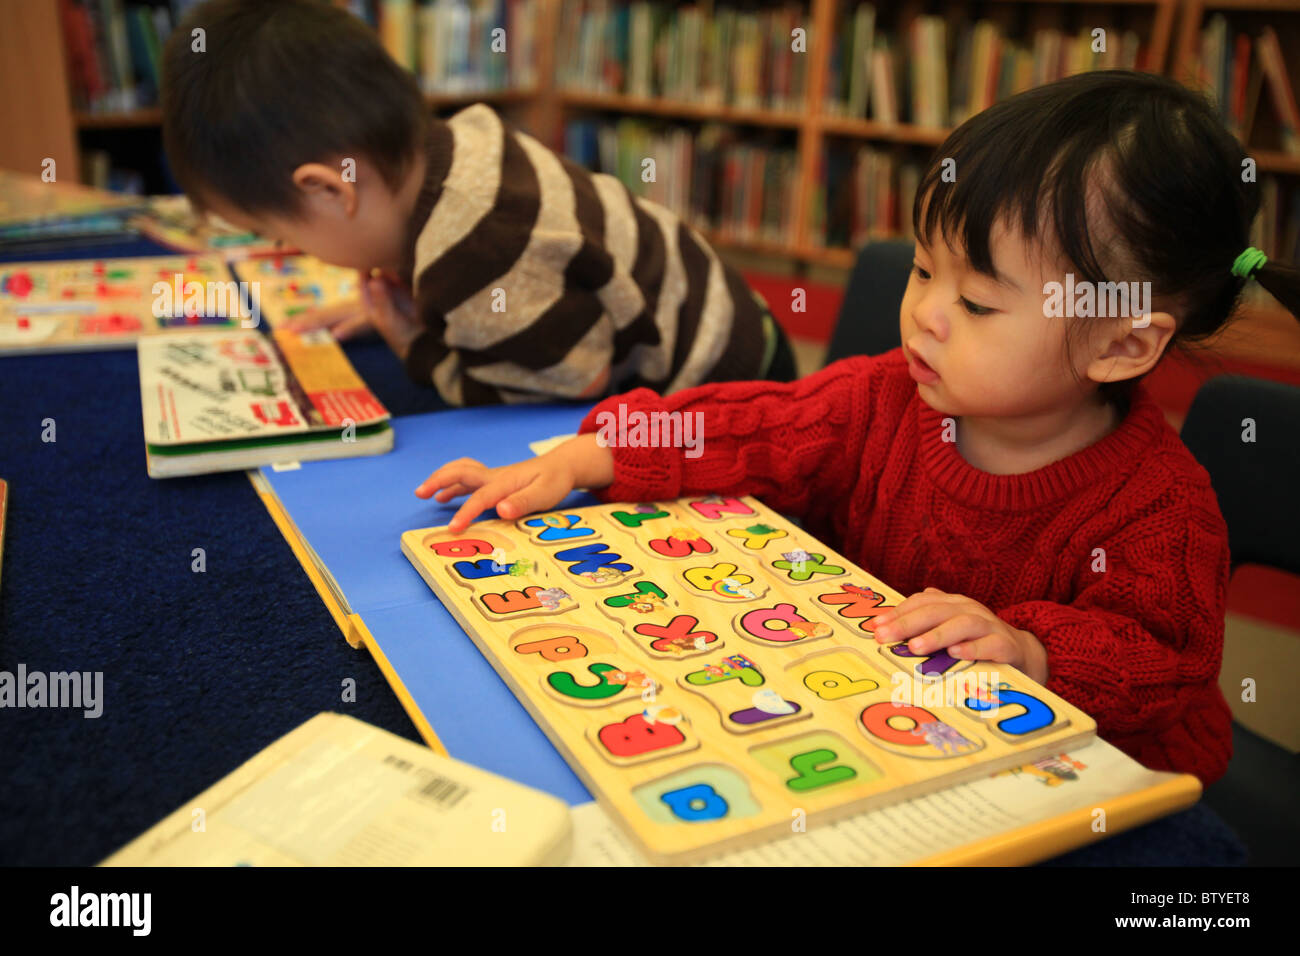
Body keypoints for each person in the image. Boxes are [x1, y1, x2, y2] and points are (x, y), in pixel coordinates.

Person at [418, 70, 1300, 786]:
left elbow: (1164, 659)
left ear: (1120, 344)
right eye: (923, 270)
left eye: (979, 302)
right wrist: (603, 449)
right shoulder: (885, 397)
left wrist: (1031, 649)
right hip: (890, 715)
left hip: (1104, 774)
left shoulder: (1161, 507)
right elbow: (759, 426)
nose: (924, 315)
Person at [159, 0, 796, 405]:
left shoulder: (476, 257)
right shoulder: (460, 144)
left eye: (282, 237)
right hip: (733, 318)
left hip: (729, 391)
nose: (293, 253)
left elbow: (575, 382)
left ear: (330, 189)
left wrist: (419, 348)